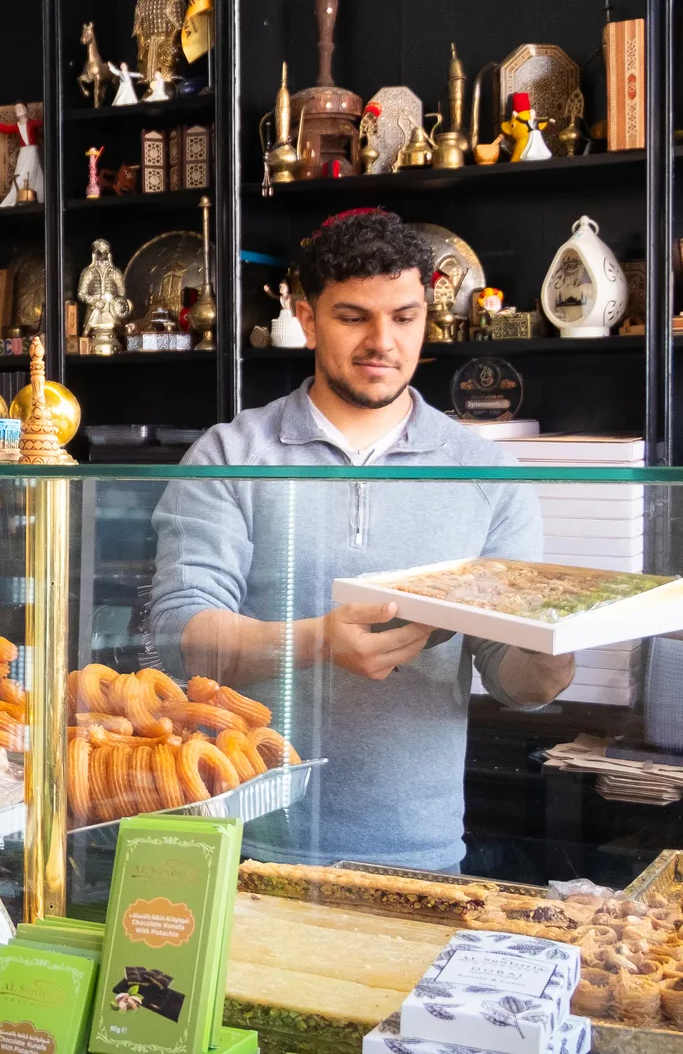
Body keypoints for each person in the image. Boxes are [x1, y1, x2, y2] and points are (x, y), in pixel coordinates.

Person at [148, 208, 574, 871]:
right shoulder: (231, 455)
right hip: (248, 844)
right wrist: (319, 642)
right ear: (307, 317)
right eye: (354, 317)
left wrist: (557, 649)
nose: (384, 341)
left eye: (404, 317)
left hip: (422, 854)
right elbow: (180, 637)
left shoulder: (485, 473)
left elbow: (511, 675)